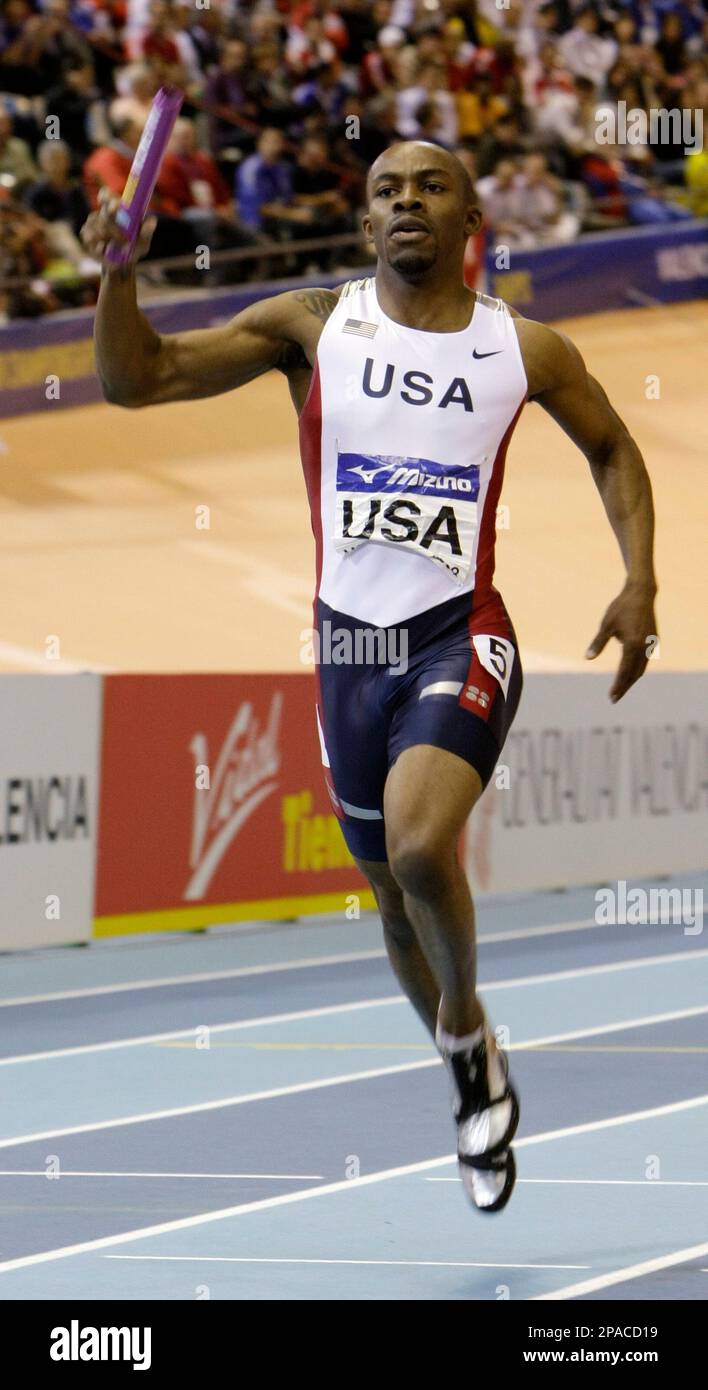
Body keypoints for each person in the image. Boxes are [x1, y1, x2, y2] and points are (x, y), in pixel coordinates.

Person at [81, 140, 658, 1215]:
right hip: (349, 652)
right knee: (392, 900)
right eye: (385, 189)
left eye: (430, 186)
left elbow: (616, 449)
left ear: (472, 215)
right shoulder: (312, 326)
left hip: (461, 632)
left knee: (420, 839)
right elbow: (134, 379)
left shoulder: (524, 348)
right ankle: (465, 1061)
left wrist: (641, 582)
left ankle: (466, 1017)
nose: (406, 202)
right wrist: (117, 273)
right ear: (361, 227)